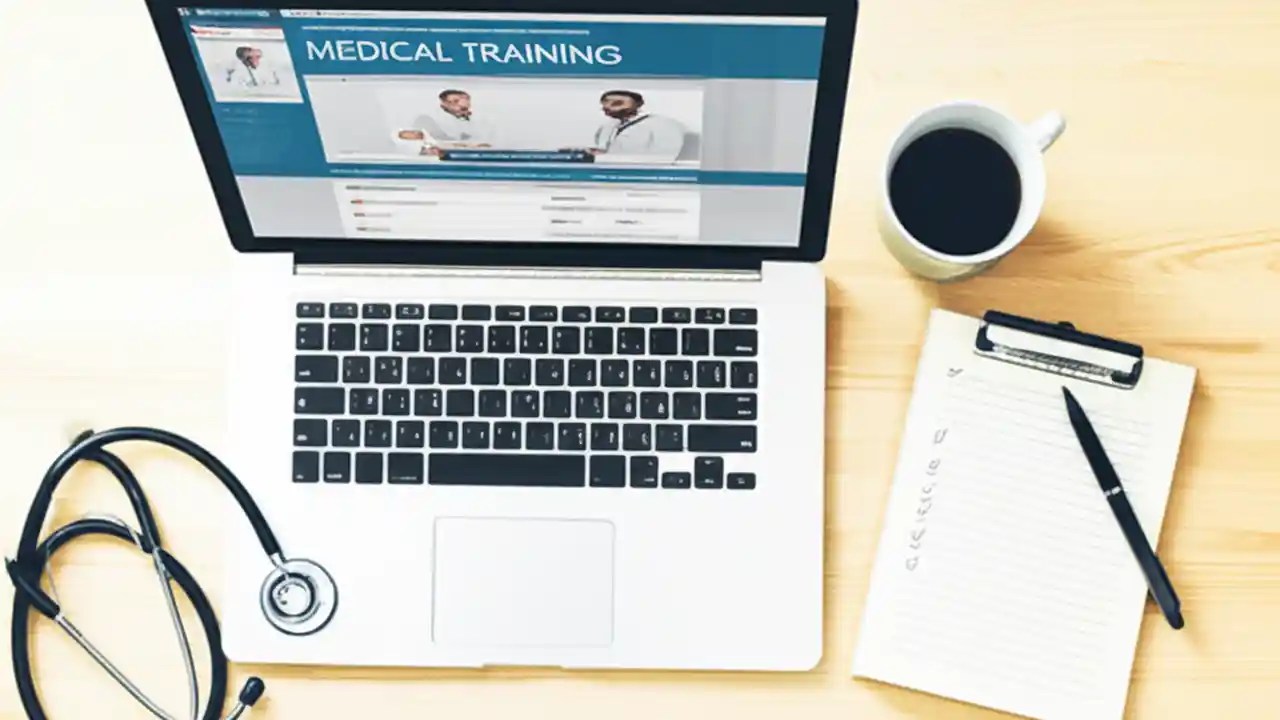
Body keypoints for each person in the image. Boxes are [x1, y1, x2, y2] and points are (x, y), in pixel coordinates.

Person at [589, 90, 686, 163]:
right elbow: (602, 149)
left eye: (618, 103)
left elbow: (666, 157)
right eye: (605, 103)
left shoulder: (662, 125)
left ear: (638, 104)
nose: (608, 107)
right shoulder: (607, 126)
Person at [395, 89, 498, 153]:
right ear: (444, 104)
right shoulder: (428, 119)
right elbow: (416, 140)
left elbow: (489, 142)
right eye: (455, 101)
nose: (461, 104)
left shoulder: (483, 122)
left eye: (464, 99)